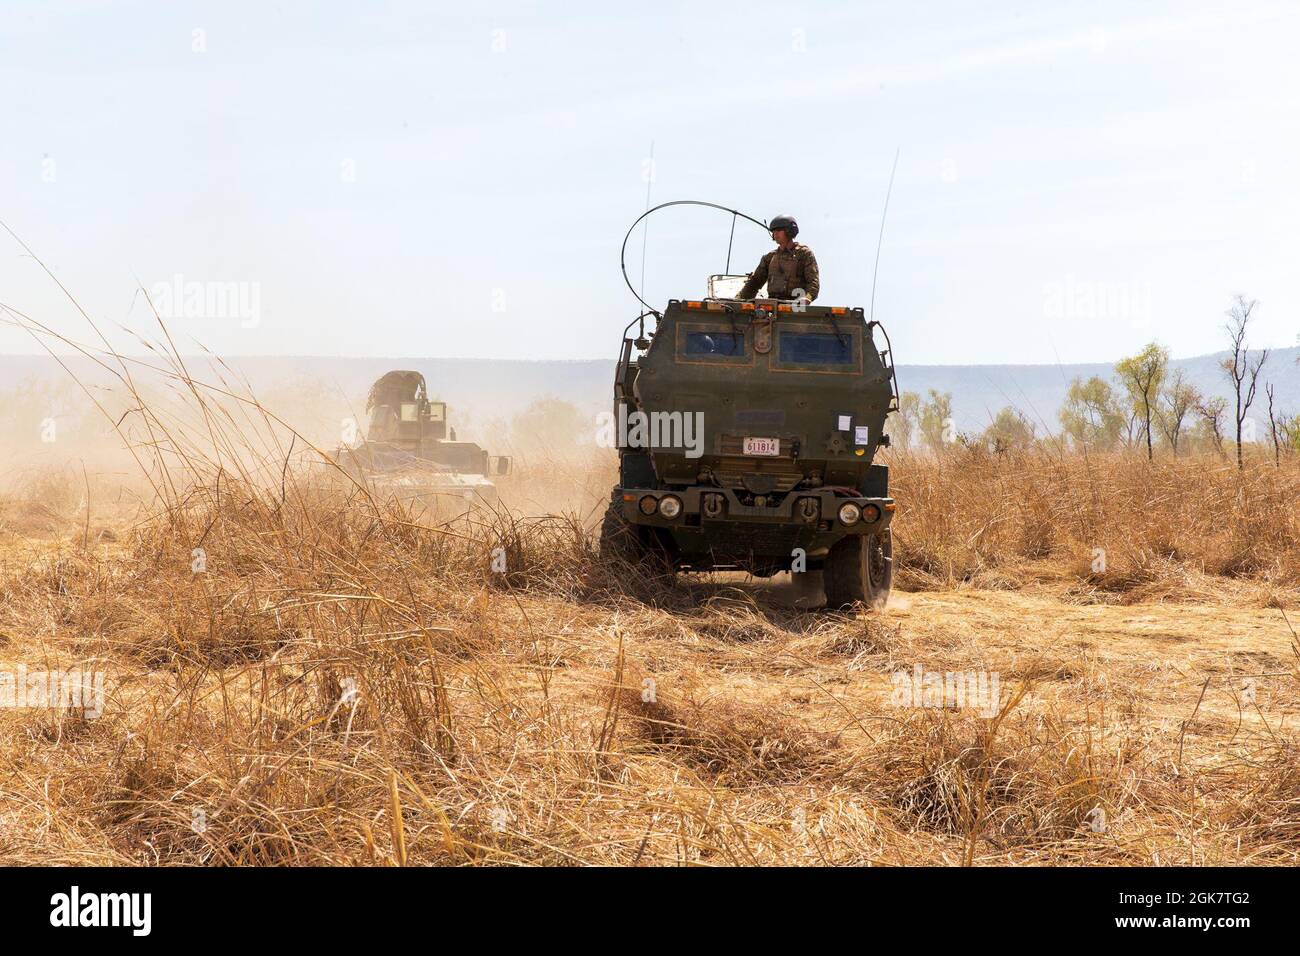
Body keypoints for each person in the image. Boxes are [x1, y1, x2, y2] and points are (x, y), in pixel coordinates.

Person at [735, 214, 820, 302]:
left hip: (795, 306)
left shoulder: (804, 254)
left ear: (789, 231)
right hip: (772, 305)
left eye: (779, 230)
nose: (775, 234)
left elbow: (813, 283)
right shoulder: (769, 257)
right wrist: (739, 299)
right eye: (773, 231)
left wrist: (807, 298)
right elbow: (754, 282)